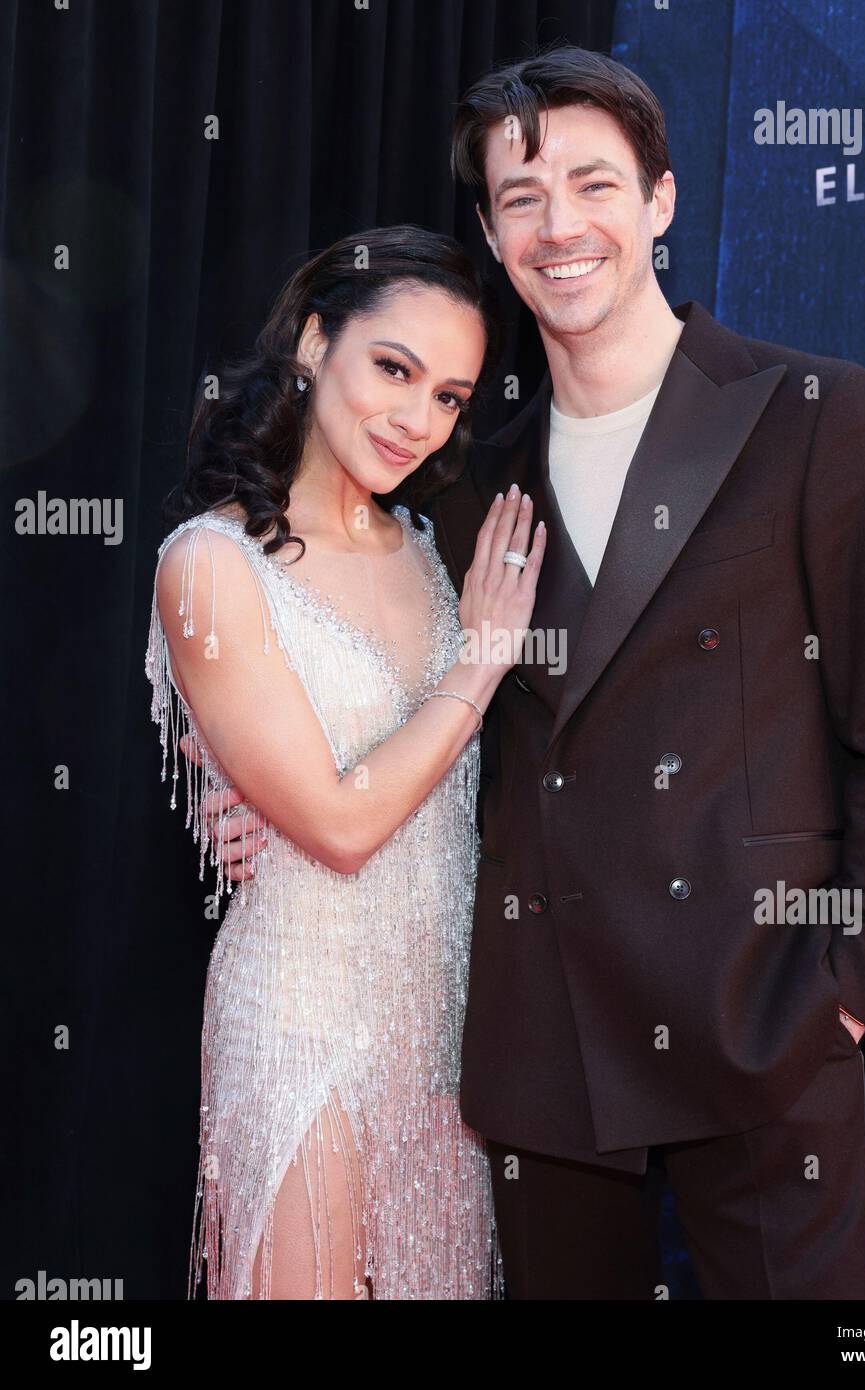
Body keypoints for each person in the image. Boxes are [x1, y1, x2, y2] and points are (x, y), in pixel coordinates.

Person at [209, 47, 865, 1299]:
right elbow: (397, 694)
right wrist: (272, 793)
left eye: (592, 183)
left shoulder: (819, 414)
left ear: (660, 200)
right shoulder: (465, 480)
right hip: (544, 1045)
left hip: (761, 1025)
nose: (559, 225)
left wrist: (850, 994)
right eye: (521, 197)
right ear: (495, 236)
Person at [144, 225, 545, 1300]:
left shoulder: (432, 546)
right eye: (395, 369)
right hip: (302, 1021)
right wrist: (486, 659)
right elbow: (338, 822)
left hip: (441, 1040)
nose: (417, 419)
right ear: (318, 343)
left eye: (451, 396)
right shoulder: (209, 564)